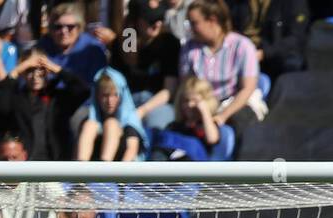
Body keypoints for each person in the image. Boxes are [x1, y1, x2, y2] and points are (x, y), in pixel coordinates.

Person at [0, 51, 89, 160]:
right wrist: (18, 69)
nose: (35, 76)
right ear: (23, 73)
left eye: (41, 70)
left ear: (47, 71)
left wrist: (56, 69)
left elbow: (83, 91)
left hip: (56, 163)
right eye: (29, 70)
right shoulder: (16, 98)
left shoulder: (58, 98)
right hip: (26, 164)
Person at [179, 0, 261, 135]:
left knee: (243, 123)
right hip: (198, 104)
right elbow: (186, 85)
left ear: (212, 20)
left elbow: (248, 88)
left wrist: (223, 115)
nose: (190, 29)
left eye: (194, 23)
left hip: (233, 104)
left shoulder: (242, 46)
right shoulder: (189, 48)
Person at [110, 0, 180, 131]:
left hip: (157, 102)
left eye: (160, 18)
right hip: (128, 100)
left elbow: (168, 91)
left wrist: (142, 110)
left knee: (157, 121)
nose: (157, 23)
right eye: (151, 19)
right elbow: (116, 83)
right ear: (136, 20)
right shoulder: (125, 41)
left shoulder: (169, 43)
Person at [75, 66, 146, 162]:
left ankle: (105, 168)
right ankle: (80, 169)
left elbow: (132, 151)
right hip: (91, 171)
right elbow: (74, 152)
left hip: (119, 171)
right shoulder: (88, 123)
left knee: (111, 124)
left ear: (121, 96)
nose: (109, 101)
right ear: (97, 96)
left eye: (115, 95)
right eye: (105, 95)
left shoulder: (130, 120)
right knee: (90, 125)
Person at [226, 0, 308, 77]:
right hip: (243, 48)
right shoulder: (240, 3)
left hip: (274, 53)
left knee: (292, 63)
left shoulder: (294, 3)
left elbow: (295, 39)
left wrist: (264, 53)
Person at [37, 2, 107, 86]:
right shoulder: (42, 47)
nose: (64, 31)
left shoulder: (93, 48)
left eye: (70, 27)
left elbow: (96, 85)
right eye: (58, 27)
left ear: (79, 28)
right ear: (51, 29)